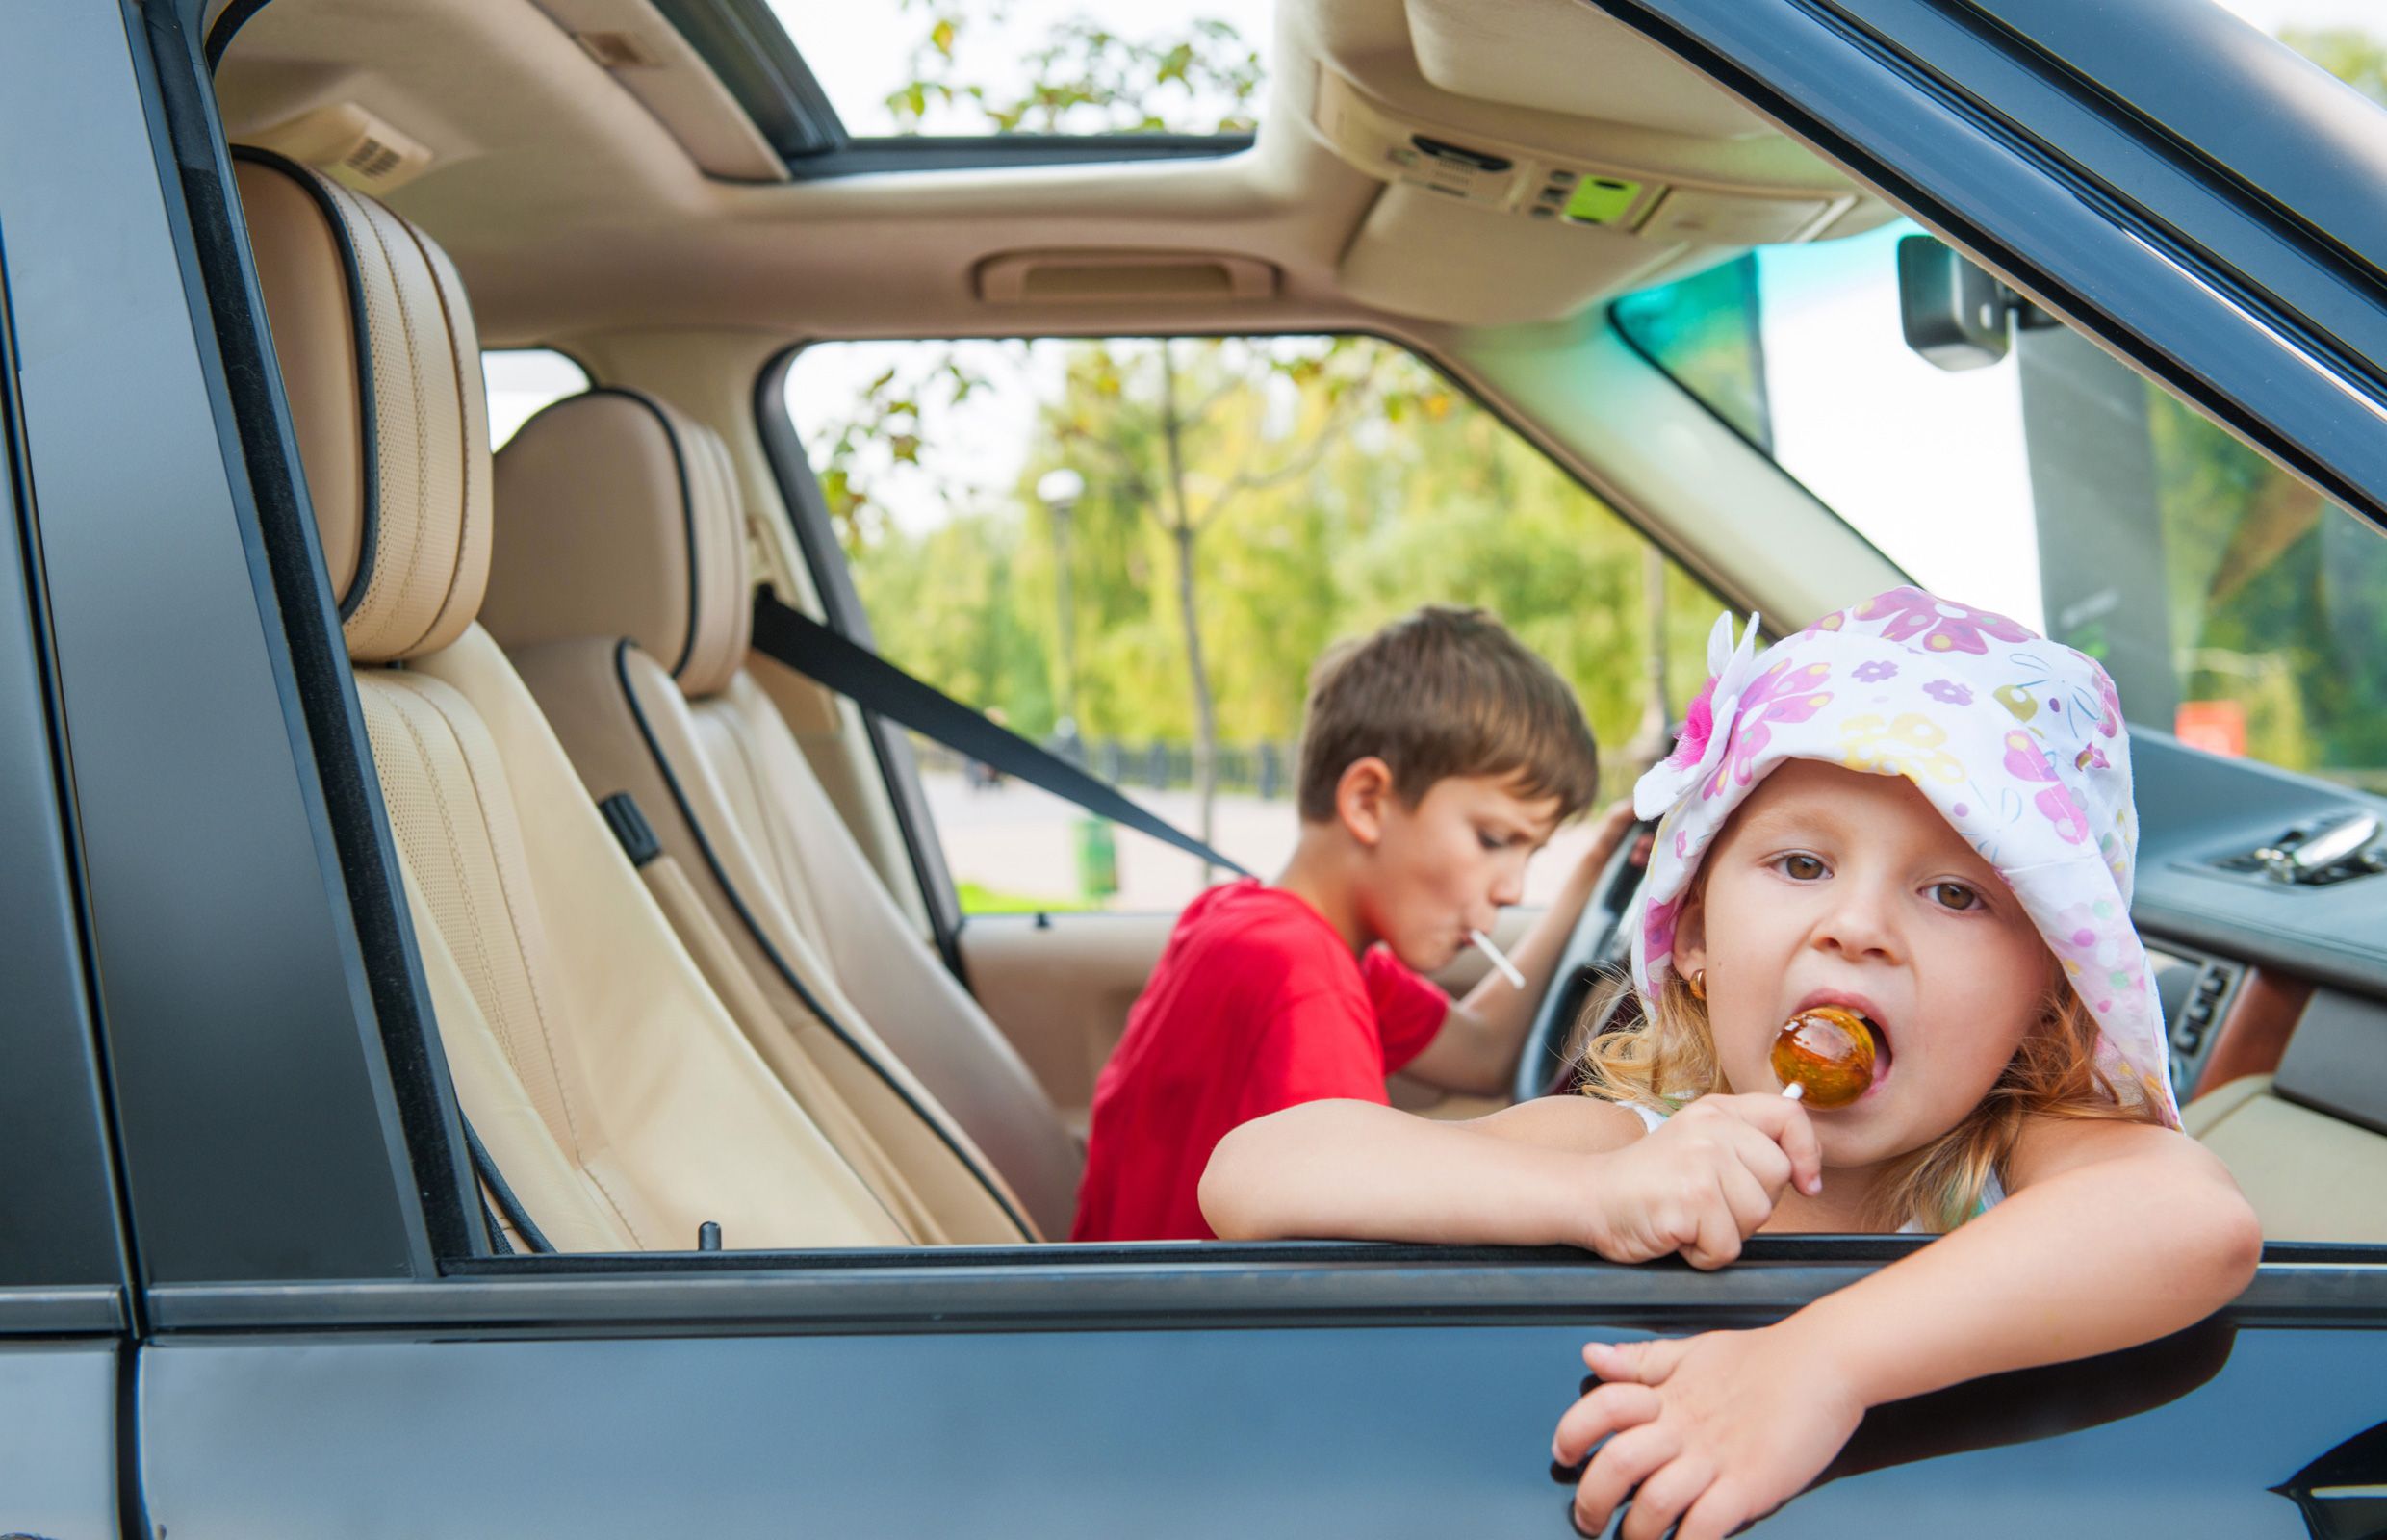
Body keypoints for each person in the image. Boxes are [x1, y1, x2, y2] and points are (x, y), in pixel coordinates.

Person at [1202, 587, 2261, 1540]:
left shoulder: (2017, 1164)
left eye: (1954, 894)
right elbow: (1252, 1173)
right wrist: (1593, 1191)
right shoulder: (1640, 1148)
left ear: (2048, 992)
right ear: (1696, 935)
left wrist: (1820, 1363)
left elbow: (2195, 1223)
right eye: (1800, 863)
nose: (1856, 926)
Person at [1069, 605, 1637, 1242]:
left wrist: (1591, 872)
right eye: (1495, 839)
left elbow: (1481, 1054)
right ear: (1368, 802)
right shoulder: (1301, 976)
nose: (1513, 888)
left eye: (1531, 853)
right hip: (1189, 1331)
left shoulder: (1274, 931)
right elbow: (1360, 1246)